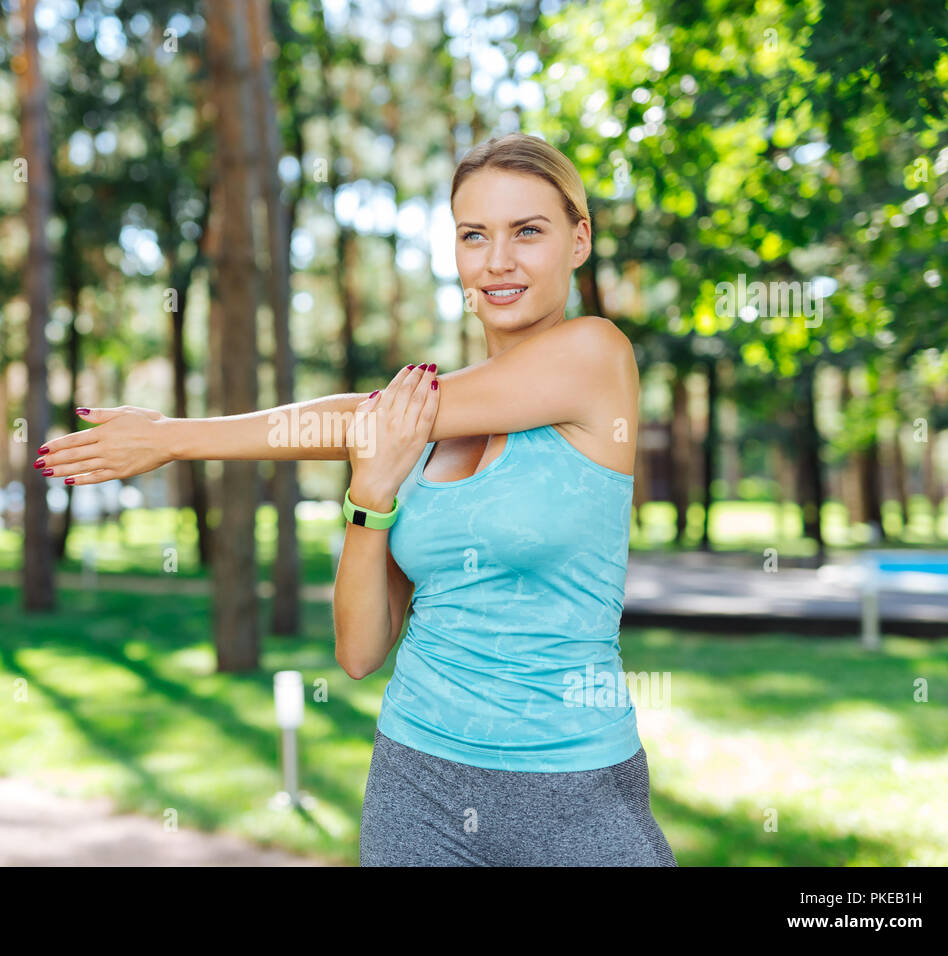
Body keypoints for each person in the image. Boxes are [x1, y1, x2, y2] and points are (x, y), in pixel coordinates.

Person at [33, 131, 676, 867]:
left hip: (576, 791)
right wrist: (369, 497)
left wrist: (175, 437)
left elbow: (357, 417)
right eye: (475, 235)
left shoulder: (596, 356)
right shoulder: (417, 431)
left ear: (579, 239)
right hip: (417, 782)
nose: (498, 261)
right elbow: (361, 652)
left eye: (528, 231)